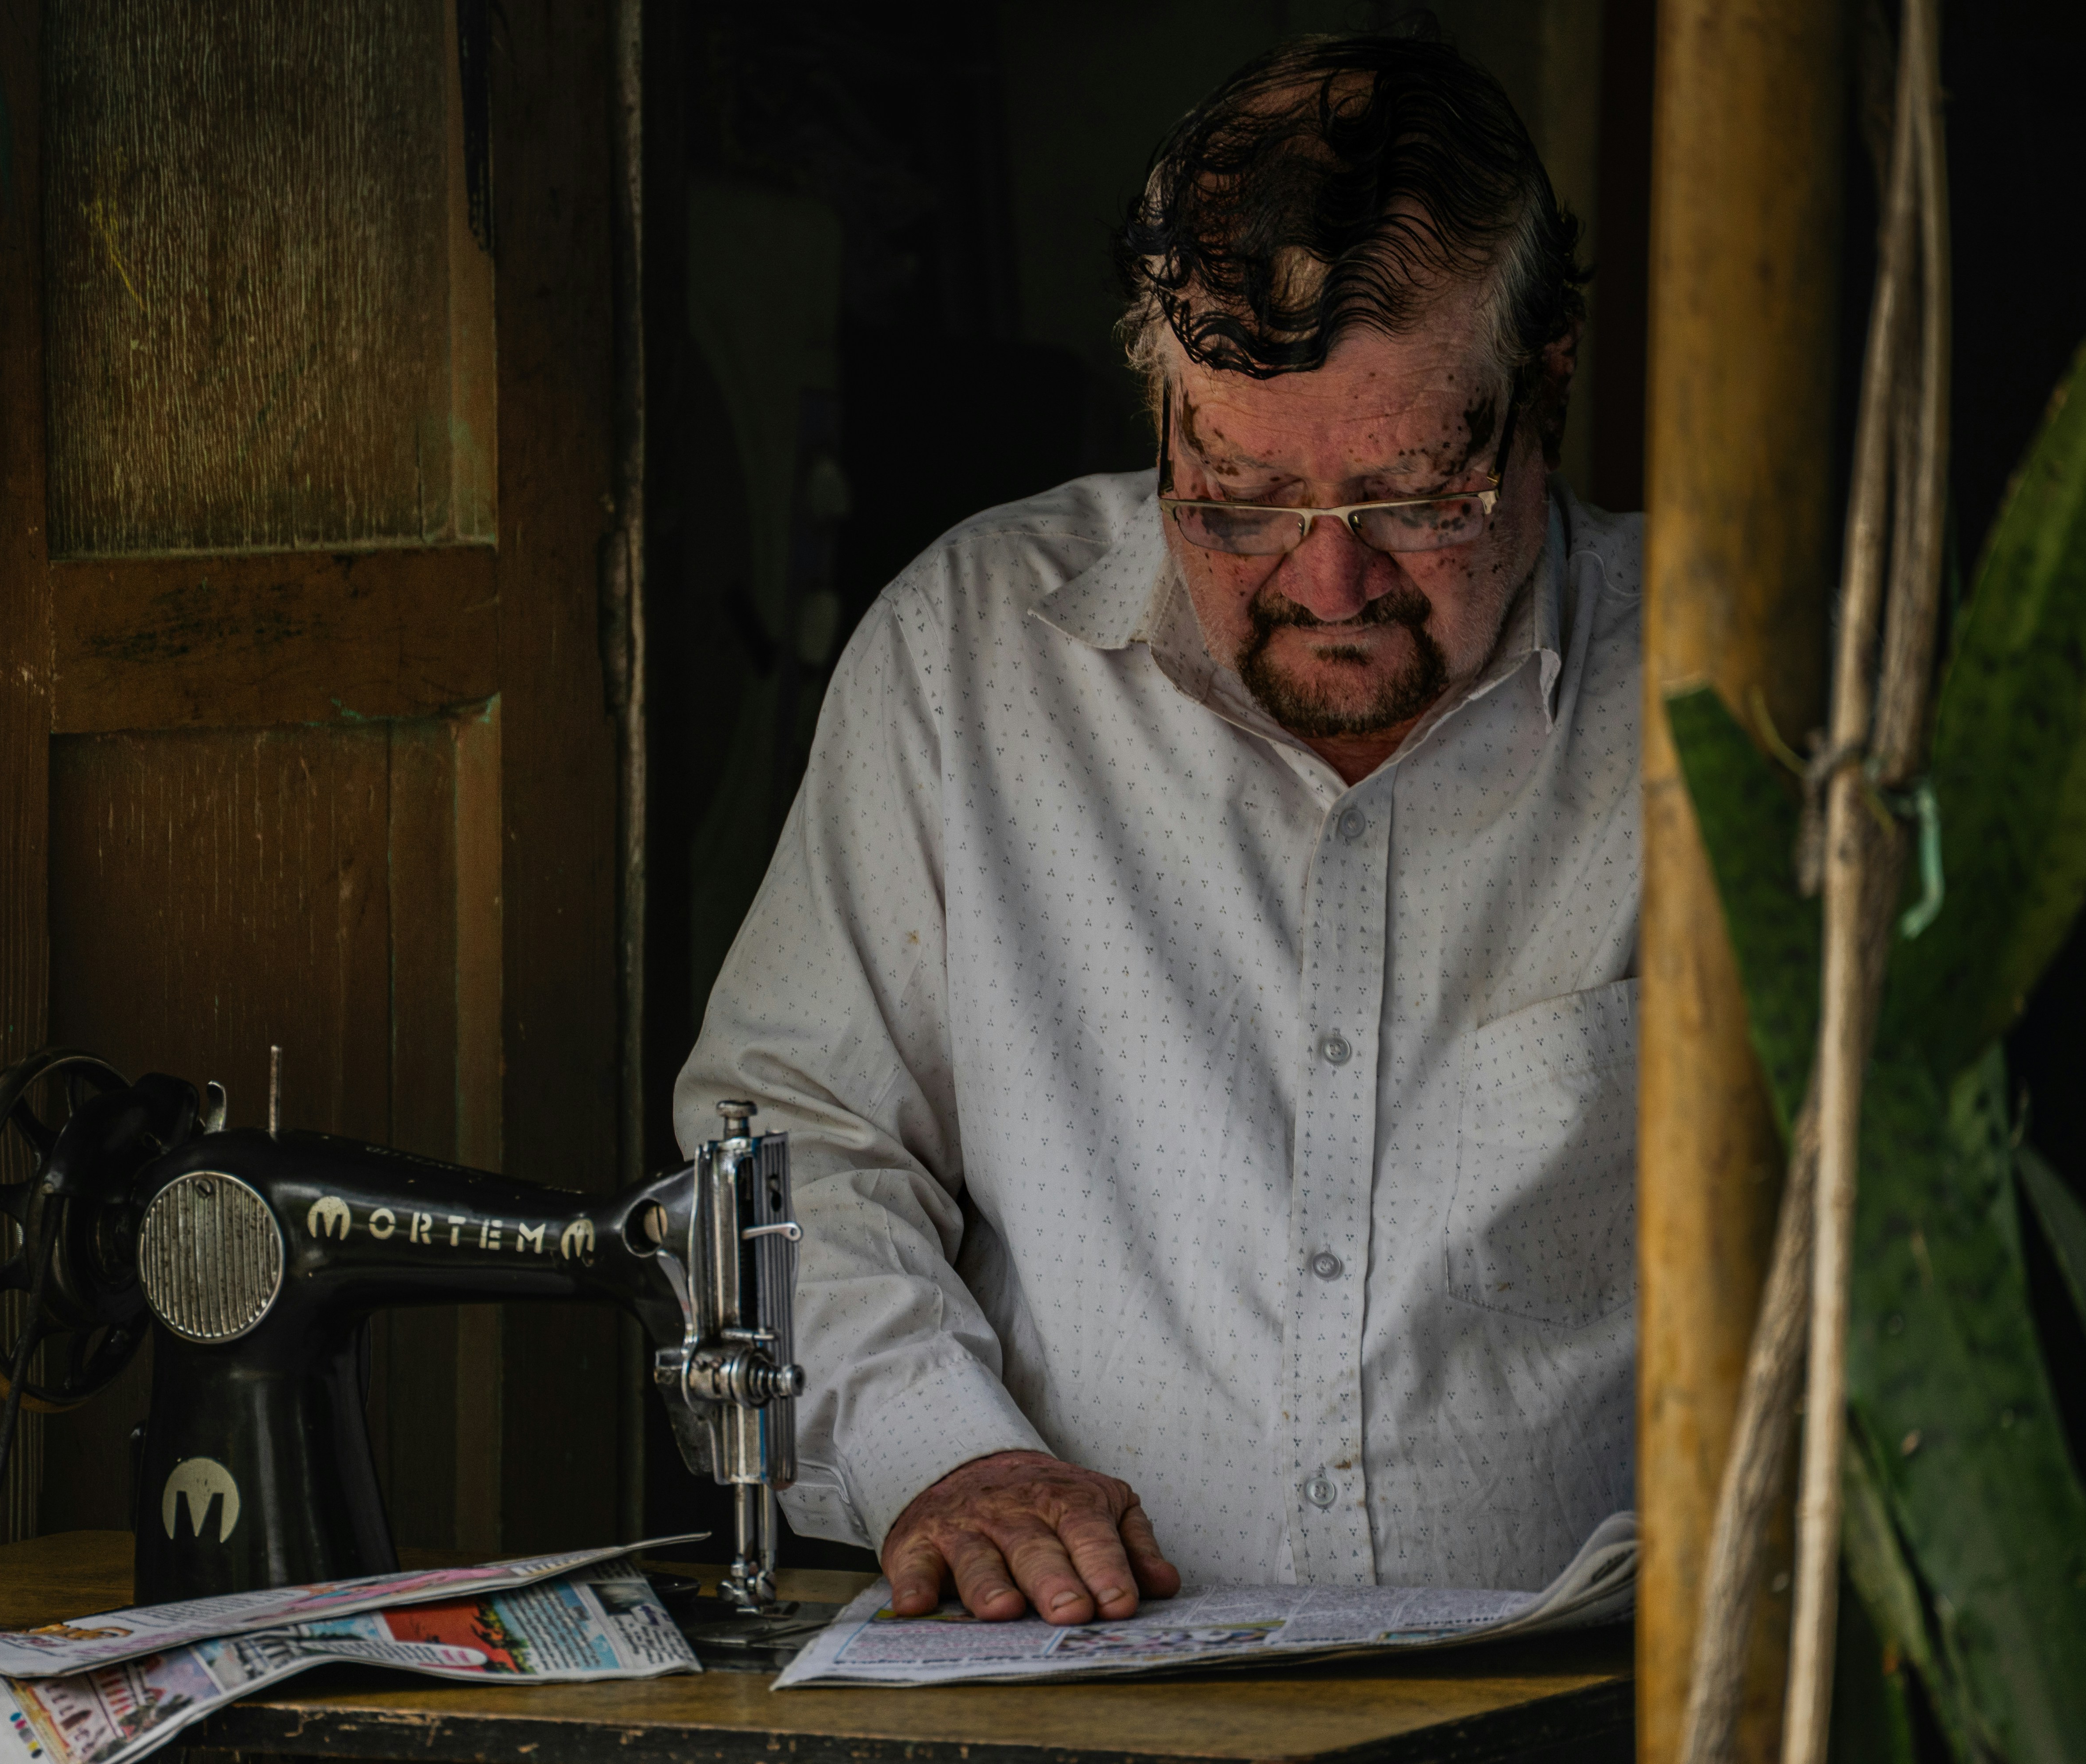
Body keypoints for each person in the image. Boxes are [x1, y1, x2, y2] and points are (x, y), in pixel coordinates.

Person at [677, 32, 1640, 1626]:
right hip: (1084, 1697)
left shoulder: (1726, 700)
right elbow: (791, 1145)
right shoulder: (968, 658)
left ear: (1545, 381)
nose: (1330, 585)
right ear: (1161, 406)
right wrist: (942, 1456)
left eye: (1413, 495)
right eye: (1242, 496)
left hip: (1599, 1707)